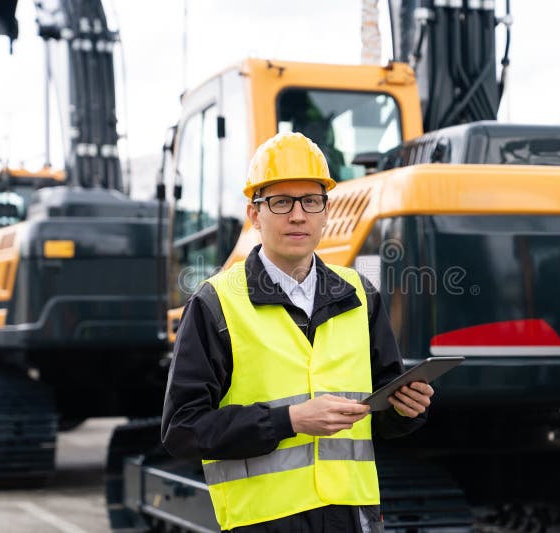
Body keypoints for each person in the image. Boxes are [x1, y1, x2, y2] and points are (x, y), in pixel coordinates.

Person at [161, 131, 434, 532]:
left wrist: (407, 409)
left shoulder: (361, 295)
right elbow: (182, 431)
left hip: (351, 517)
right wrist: (288, 420)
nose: (298, 215)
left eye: (310, 201)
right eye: (281, 202)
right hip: (263, 522)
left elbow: (380, 415)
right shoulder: (215, 303)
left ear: (326, 211)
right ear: (254, 214)